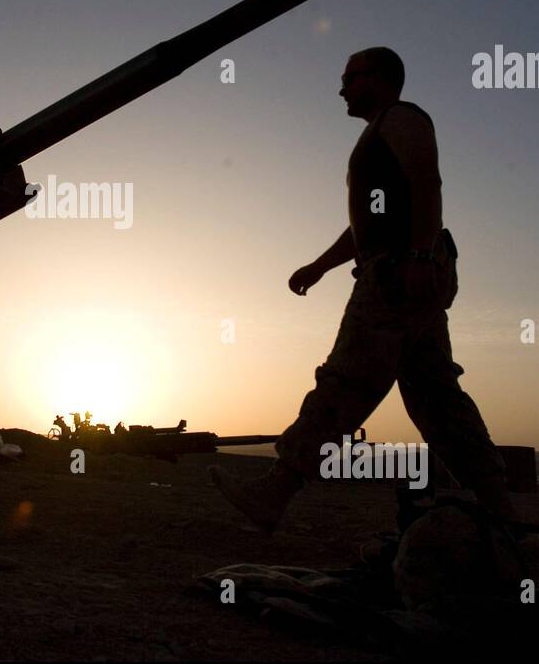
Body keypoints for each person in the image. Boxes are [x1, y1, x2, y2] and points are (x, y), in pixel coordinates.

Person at [209, 47, 516, 531]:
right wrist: (321, 266)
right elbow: (366, 225)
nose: (342, 89)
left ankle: (276, 489)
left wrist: (419, 254)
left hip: (397, 273)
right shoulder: (377, 138)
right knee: (437, 396)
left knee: (347, 379)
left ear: (382, 78)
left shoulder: (403, 119)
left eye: (351, 77)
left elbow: (427, 184)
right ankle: (500, 508)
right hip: (403, 269)